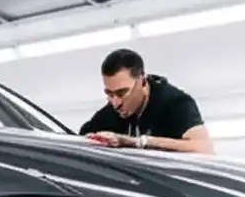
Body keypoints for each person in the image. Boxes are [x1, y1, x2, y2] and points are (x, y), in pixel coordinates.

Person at [79, 48, 213, 154]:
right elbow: (81, 139)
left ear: (142, 81)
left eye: (122, 93)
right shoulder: (111, 112)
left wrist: (138, 142)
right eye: (109, 94)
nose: (116, 103)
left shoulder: (175, 103)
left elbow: (204, 149)